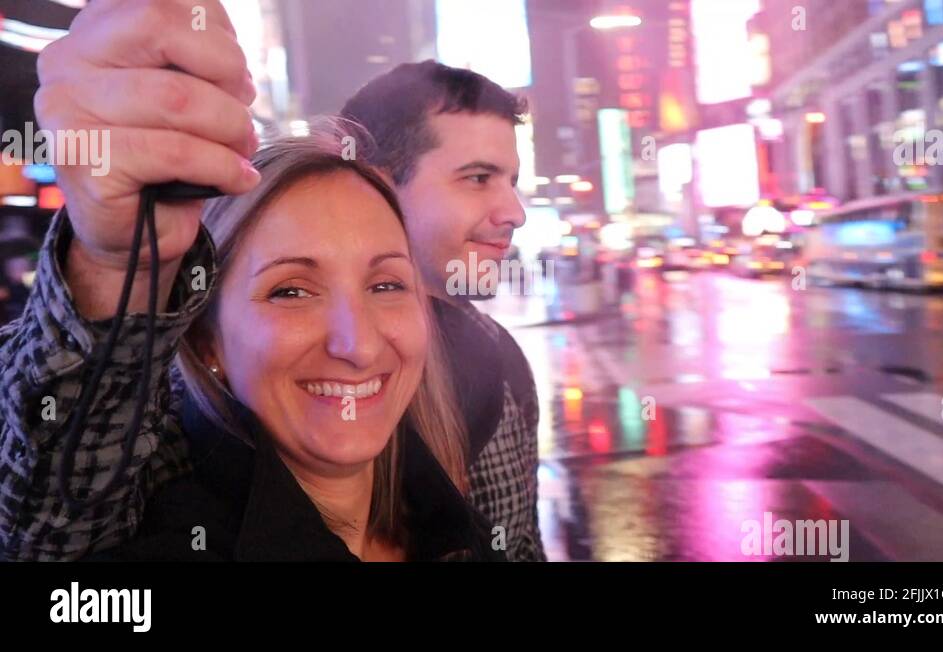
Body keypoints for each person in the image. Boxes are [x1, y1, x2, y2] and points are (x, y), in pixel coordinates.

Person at [0, 0, 500, 562]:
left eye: (386, 285)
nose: (357, 345)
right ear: (206, 338)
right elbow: (50, 526)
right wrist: (119, 265)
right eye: (291, 291)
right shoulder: (165, 543)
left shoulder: (463, 521)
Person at [343, 62, 546, 561]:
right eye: (478, 178)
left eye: (512, 180)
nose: (514, 212)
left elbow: (523, 546)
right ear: (380, 187)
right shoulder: (308, 364)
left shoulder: (500, 353)